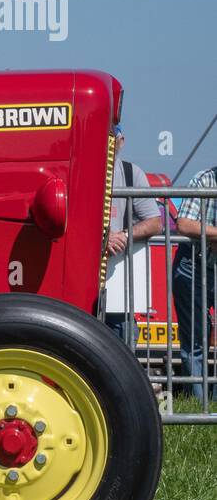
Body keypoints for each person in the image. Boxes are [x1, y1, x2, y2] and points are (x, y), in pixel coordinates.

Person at [105, 125, 163, 341]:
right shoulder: (78, 169)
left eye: (112, 137)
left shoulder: (131, 173)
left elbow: (155, 222)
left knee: (124, 336)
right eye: (104, 136)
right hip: (79, 279)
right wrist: (104, 238)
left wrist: (124, 236)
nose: (109, 142)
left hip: (118, 282)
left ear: (121, 141)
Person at [171, 163, 217, 402]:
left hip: (202, 264)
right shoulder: (204, 178)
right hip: (192, 267)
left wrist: (207, 233)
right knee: (195, 344)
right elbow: (184, 224)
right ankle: (198, 410)